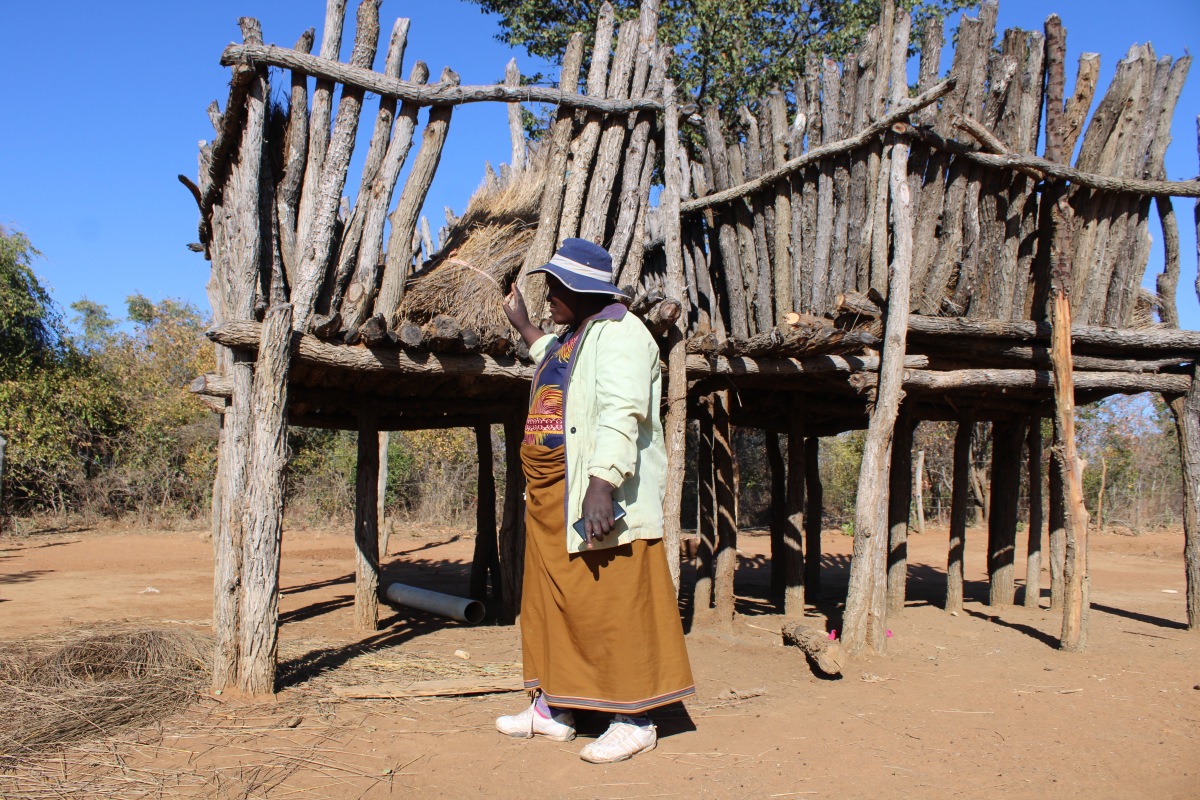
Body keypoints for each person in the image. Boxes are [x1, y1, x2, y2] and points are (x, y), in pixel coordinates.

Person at [495, 238, 694, 764]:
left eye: (555, 288)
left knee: (612, 602)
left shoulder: (622, 333)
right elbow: (553, 358)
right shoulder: (574, 336)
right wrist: (524, 326)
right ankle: (555, 708)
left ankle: (634, 720)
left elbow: (621, 410)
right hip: (550, 495)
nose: (548, 297)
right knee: (555, 603)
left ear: (582, 289)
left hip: (591, 492)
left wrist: (602, 484)